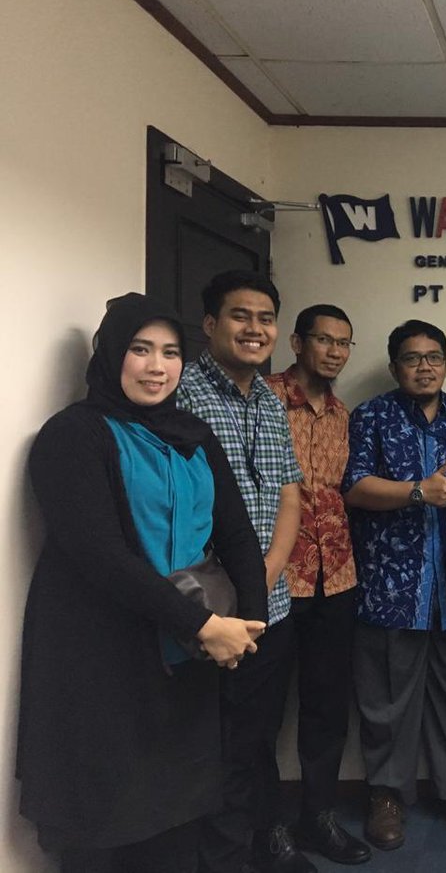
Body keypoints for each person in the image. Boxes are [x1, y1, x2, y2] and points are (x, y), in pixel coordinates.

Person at [17, 293, 266, 873]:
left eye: (171, 353)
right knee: (104, 825)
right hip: (104, 661)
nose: (157, 367)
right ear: (110, 355)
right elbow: (100, 557)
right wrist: (204, 625)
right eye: (140, 349)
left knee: (175, 822)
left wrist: (246, 625)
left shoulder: (193, 435)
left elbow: (236, 533)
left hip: (185, 660)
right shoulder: (72, 436)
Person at [343, 320, 446, 848]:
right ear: (394, 367)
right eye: (412, 358)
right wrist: (417, 492)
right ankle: (387, 795)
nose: (425, 367)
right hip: (392, 586)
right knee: (386, 702)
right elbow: (354, 487)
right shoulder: (371, 416)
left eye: (434, 357)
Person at [176, 271, 307, 873]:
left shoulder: (270, 401)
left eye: (265, 318)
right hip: (205, 610)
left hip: (269, 605)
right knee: (212, 743)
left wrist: (265, 579)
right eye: (240, 316)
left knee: (256, 734)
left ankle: (263, 845)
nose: (255, 329)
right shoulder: (180, 394)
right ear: (210, 324)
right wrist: (238, 594)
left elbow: (288, 494)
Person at [264, 305, 371, 866]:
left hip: (337, 579)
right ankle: (265, 828)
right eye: (324, 340)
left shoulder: (341, 414)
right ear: (298, 342)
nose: (334, 352)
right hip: (276, 579)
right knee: (262, 711)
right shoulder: (263, 400)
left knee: (327, 708)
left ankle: (318, 818)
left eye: (343, 343)